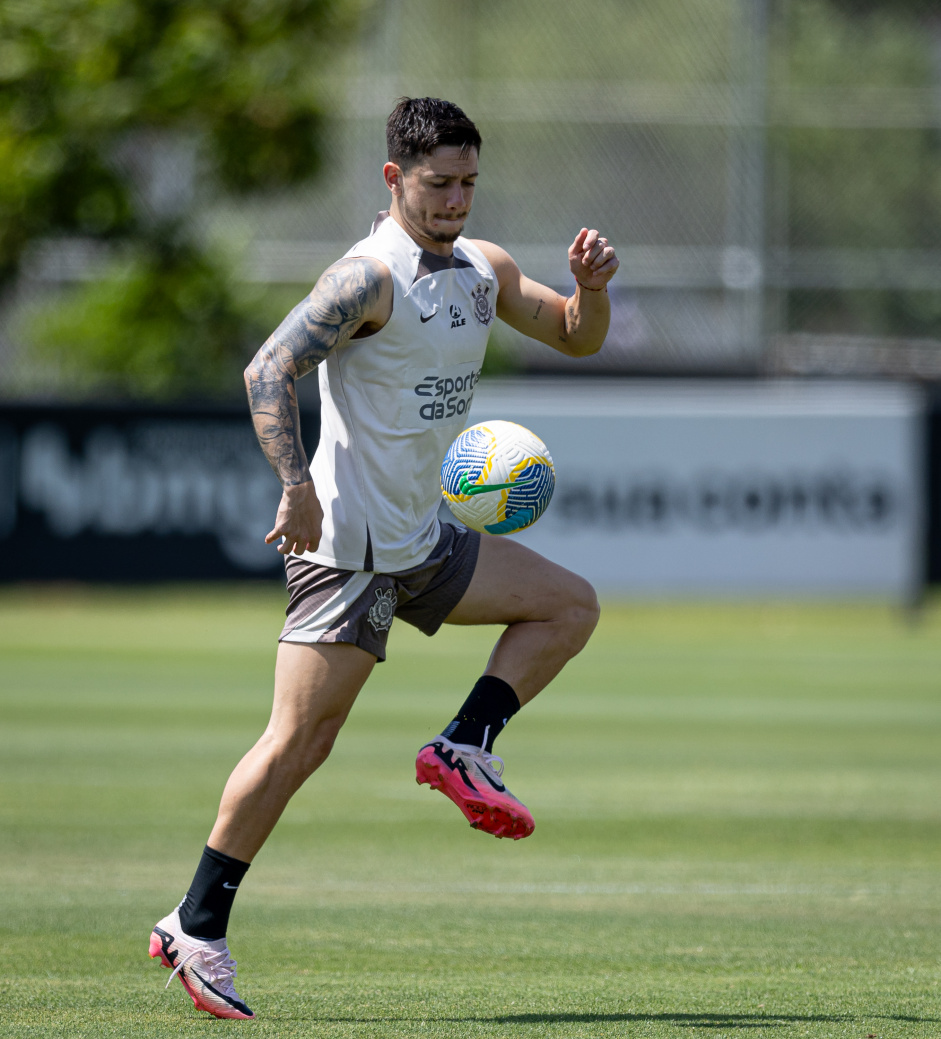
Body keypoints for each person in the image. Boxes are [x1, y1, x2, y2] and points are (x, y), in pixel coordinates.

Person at [149, 96, 619, 1021]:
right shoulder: (364, 280)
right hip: (348, 552)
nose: (455, 202)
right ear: (394, 178)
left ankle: (463, 744)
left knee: (567, 605)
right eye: (438, 184)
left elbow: (572, 331)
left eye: (468, 184)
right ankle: (194, 924)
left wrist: (590, 286)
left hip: (421, 536)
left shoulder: (482, 269)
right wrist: (294, 483)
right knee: (299, 743)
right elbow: (265, 369)